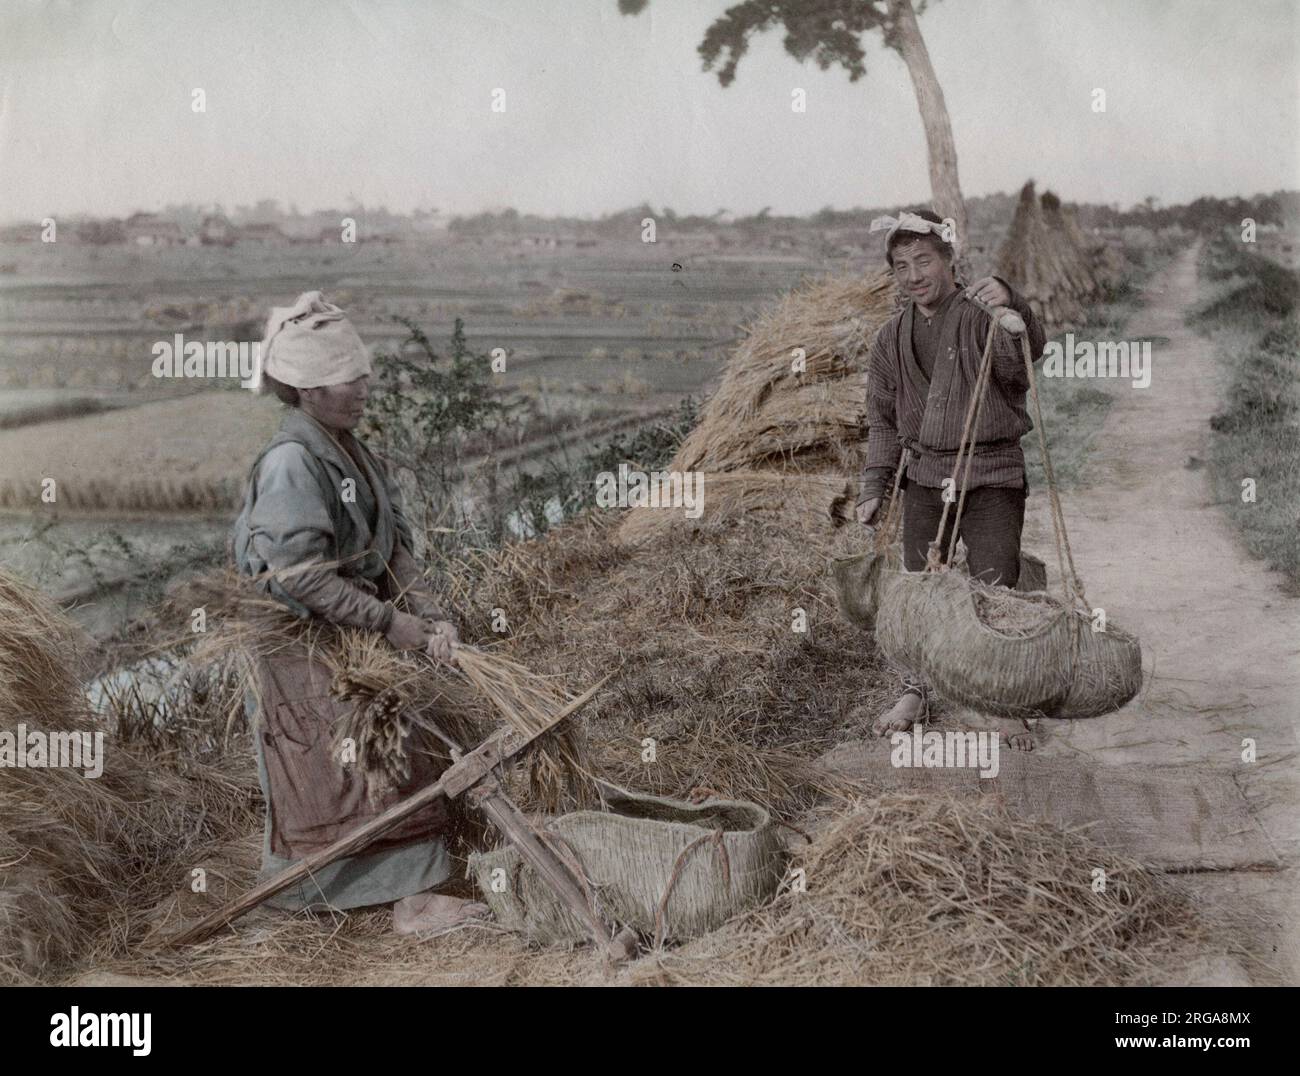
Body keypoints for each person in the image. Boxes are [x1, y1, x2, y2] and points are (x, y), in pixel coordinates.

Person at [232, 290, 487, 934]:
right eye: (349, 376)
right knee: (341, 767)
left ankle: (413, 890)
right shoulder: (293, 462)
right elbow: (303, 578)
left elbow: (393, 546)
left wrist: (426, 614)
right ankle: (367, 897)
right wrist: (389, 625)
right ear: (309, 389)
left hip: (353, 631)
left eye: (362, 370)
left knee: (397, 744)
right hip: (306, 646)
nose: (364, 385)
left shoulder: (350, 449)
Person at [855, 210, 1047, 750]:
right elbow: (884, 420)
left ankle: (1001, 703)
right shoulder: (890, 338)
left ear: (950, 261)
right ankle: (915, 689)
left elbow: (1027, 357)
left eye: (924, 260)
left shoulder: (985, 317)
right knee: (921, 588)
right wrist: (875, 486)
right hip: (926, 475)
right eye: (901, 265)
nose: (914, 275)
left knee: (995, 586)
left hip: (992, 472)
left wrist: (1013, 303)